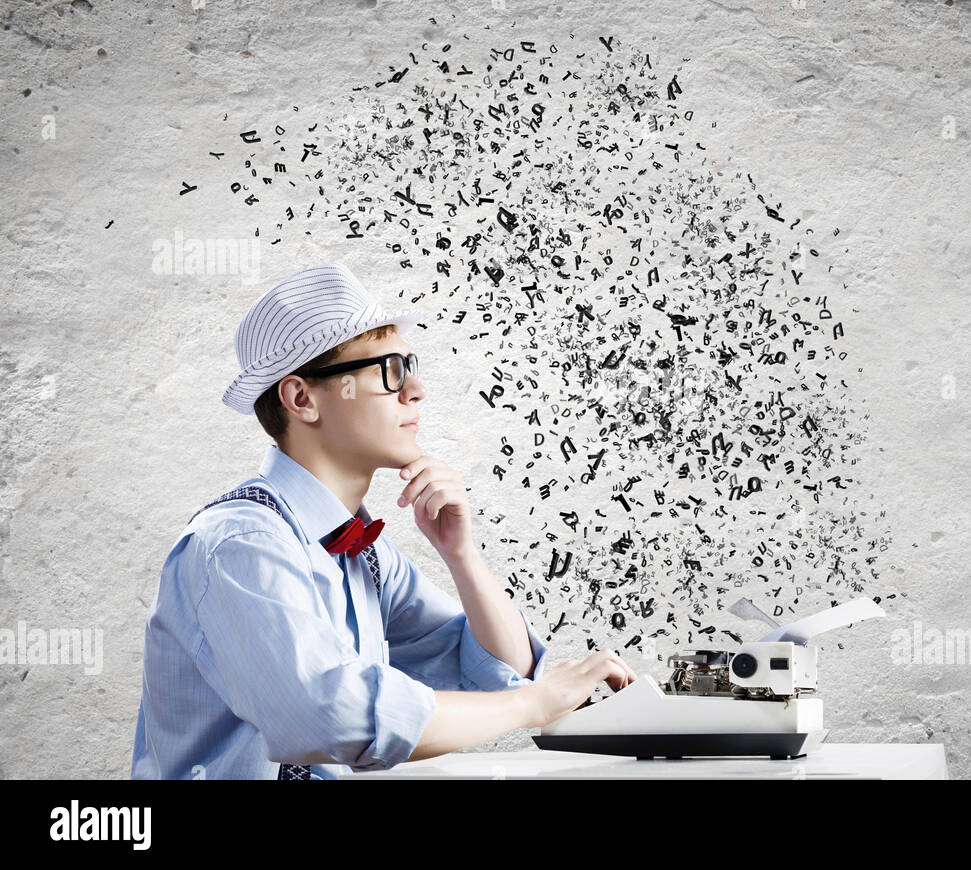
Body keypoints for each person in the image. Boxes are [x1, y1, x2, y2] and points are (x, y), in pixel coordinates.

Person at [131, 263, 635, 779]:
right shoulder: (241, 544)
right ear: (302, 398)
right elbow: (334, 719)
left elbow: (495, 674)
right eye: (389, 370)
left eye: (409, 366)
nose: (415, 390)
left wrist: (461, 556)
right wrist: (535, 705)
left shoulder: (360, 553)